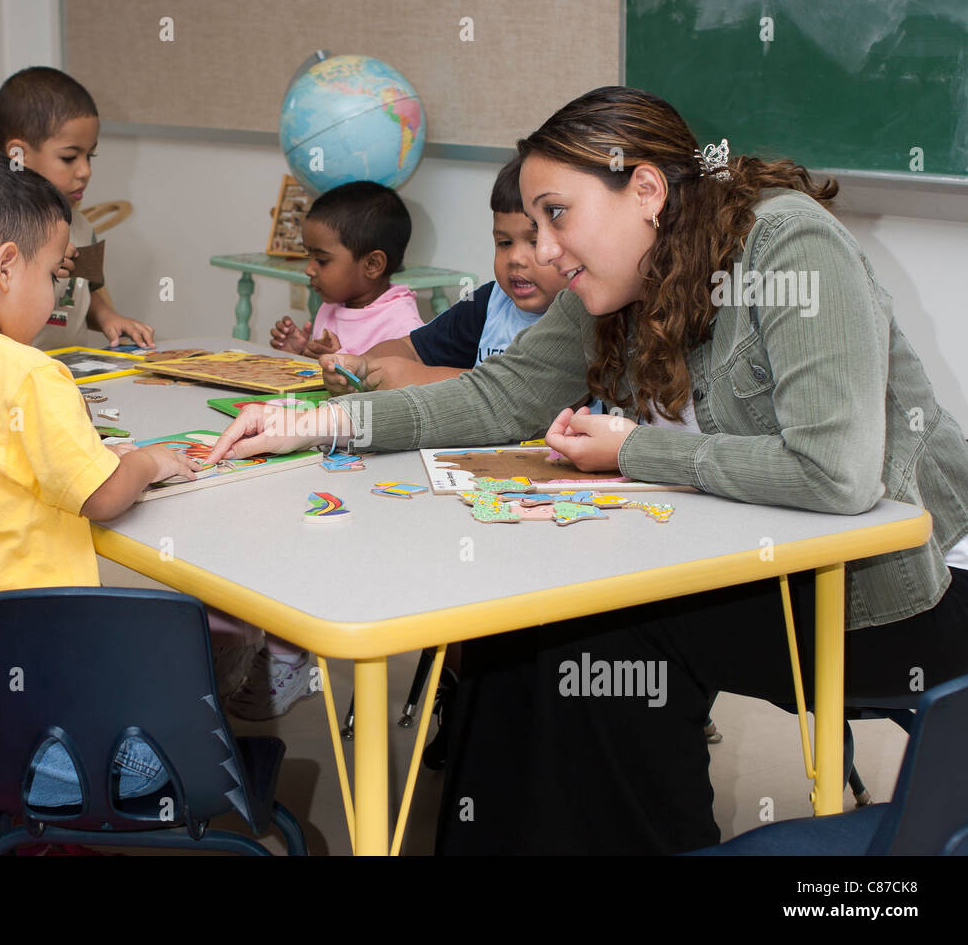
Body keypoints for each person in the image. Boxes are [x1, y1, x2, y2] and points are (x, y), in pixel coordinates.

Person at [207, 86, 968, 854]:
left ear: (645, 189)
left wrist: (632, 449)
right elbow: (500, 397)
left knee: (604, 637)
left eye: (557, 215)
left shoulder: (789, 245)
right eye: (533, 225)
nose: (542, 250)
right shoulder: (618, 274)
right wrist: (318, 423)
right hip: (758, 567)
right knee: (514, 626)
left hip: (904, 589)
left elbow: (834, 472)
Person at [0, 145, 197, 854]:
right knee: (149, 762)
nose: (58, 296)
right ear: (5, 265)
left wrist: (86, 458)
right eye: (55, 274)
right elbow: (105, 495)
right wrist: (144, 462)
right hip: (38, 663)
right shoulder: (27, 373)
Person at [320, 155, 565, 396]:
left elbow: (519, 390)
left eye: (534, 242)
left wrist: (419, 378)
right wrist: (364, 365)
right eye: (504, 242)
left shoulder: (583, 315)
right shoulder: (489, 302)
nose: (514, 258)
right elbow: (412, 348)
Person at [0, 66, 153, 350]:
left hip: (68, 374)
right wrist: (39, 264)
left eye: (90, 156)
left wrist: (107, 317)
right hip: (12, 377)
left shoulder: (81, 227)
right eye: (69, 158)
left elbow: (84, 293)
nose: (85, 171)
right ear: (18, 155)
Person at [270, 180, 422, 359]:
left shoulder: (403, 326)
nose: (309, 269)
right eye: (307, 256)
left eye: (322, 260)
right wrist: (300, 356)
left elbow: (401, 383)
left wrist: (340, 362)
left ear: (372, 265)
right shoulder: (331, 307)